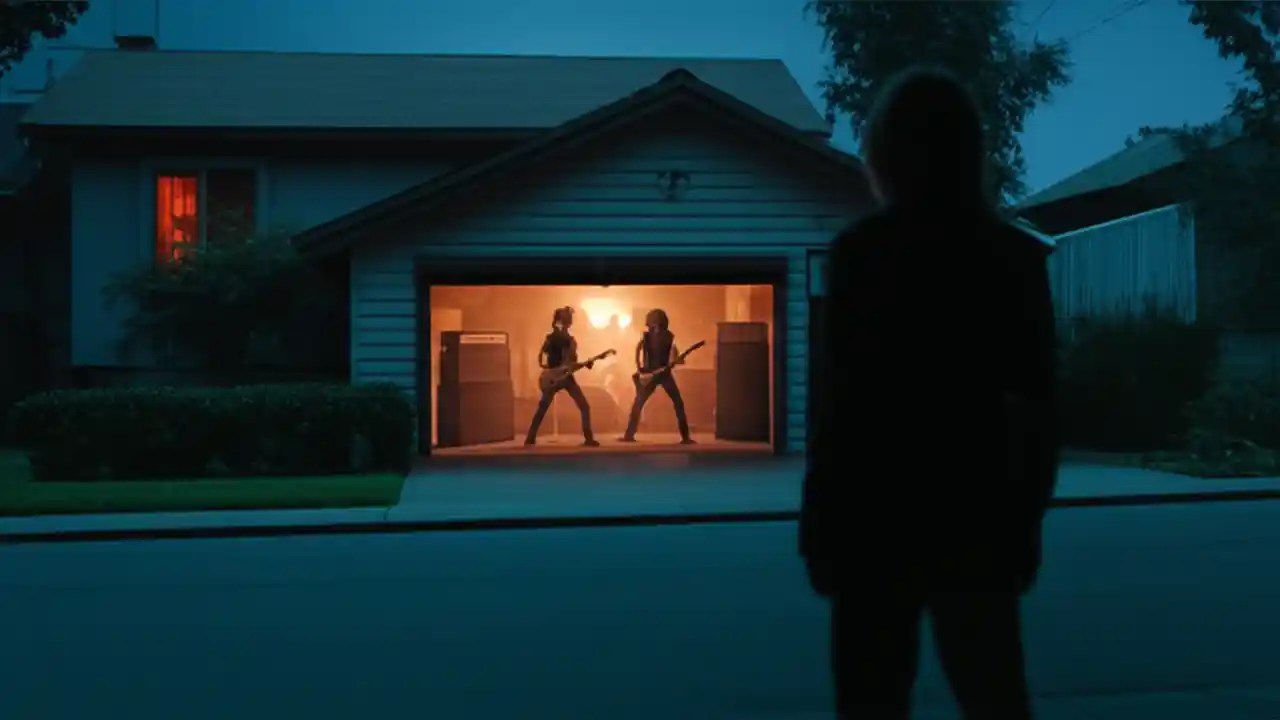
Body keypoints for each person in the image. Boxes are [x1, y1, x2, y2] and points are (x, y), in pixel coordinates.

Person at [800, 66, 1059, 720]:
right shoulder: (1013, 258)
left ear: (884, 152)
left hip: (875, 519)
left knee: (871, 697)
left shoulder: (861, 254)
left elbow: (842, 408)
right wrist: (1025, 522)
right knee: (995, 692)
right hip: (978, 513)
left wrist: (820, 521)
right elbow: (1038, 407)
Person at [524, 306, 599, 447]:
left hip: (558, 376)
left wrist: (550, 370)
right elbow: (567, 362)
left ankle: (530, 437)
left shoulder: (552, 339)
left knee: (543, 407)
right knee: (583, 406)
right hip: (560, 377)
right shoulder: (568, 341)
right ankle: (588, 438)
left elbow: (542, 358)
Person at [620, 309, 694, 444]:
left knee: (678, 403)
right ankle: (629, 434)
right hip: (650, 374)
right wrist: (641, 369)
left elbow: (673, 354)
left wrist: (676, 360)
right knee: (639, 403)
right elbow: (639, 351)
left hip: (664, 374)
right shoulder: (647, 337)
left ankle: (685, 437)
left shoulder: (668, 337)